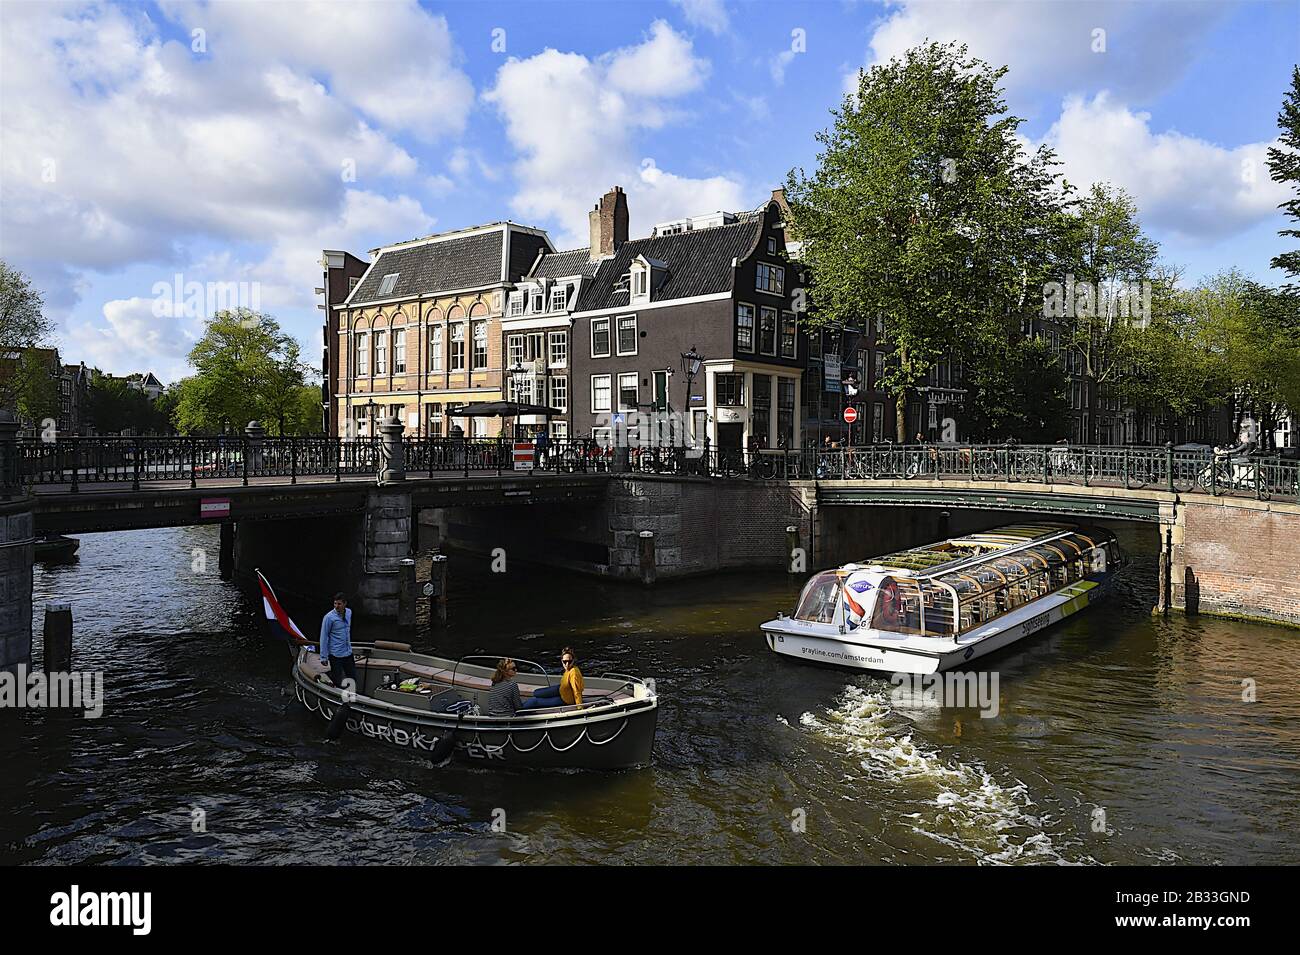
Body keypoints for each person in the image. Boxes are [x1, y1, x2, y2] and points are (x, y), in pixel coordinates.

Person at [320, 592, 356, 693]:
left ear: (345, 604)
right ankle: (338, 700)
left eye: (339, 604)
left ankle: (350, 698)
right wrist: (324, 656)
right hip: (336, 654)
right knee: (337, 680)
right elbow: (324, 637)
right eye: (335, 603)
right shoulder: (329, 618)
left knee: (352, 677)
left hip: (347, 652)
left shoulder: (349, 613)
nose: (336, 606)